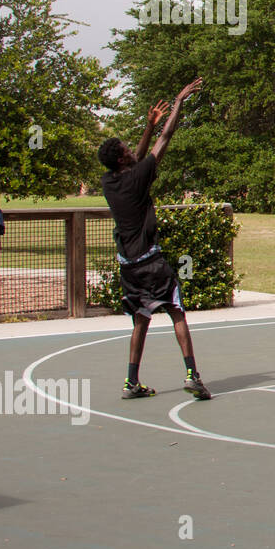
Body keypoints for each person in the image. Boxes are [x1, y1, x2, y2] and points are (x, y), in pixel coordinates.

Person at [97, 79, 210, 400]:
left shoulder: (110, 181)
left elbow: (139, 157)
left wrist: (147, 126)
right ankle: (192, 375)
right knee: (176, 312)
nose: (131, 151)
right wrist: (178, 102)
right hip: (151, 262)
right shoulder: (136, 176)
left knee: (141, 321)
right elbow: (167, 137)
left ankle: (131, 382)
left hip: (128, 267)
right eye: (125, 150)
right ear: (122, 160)